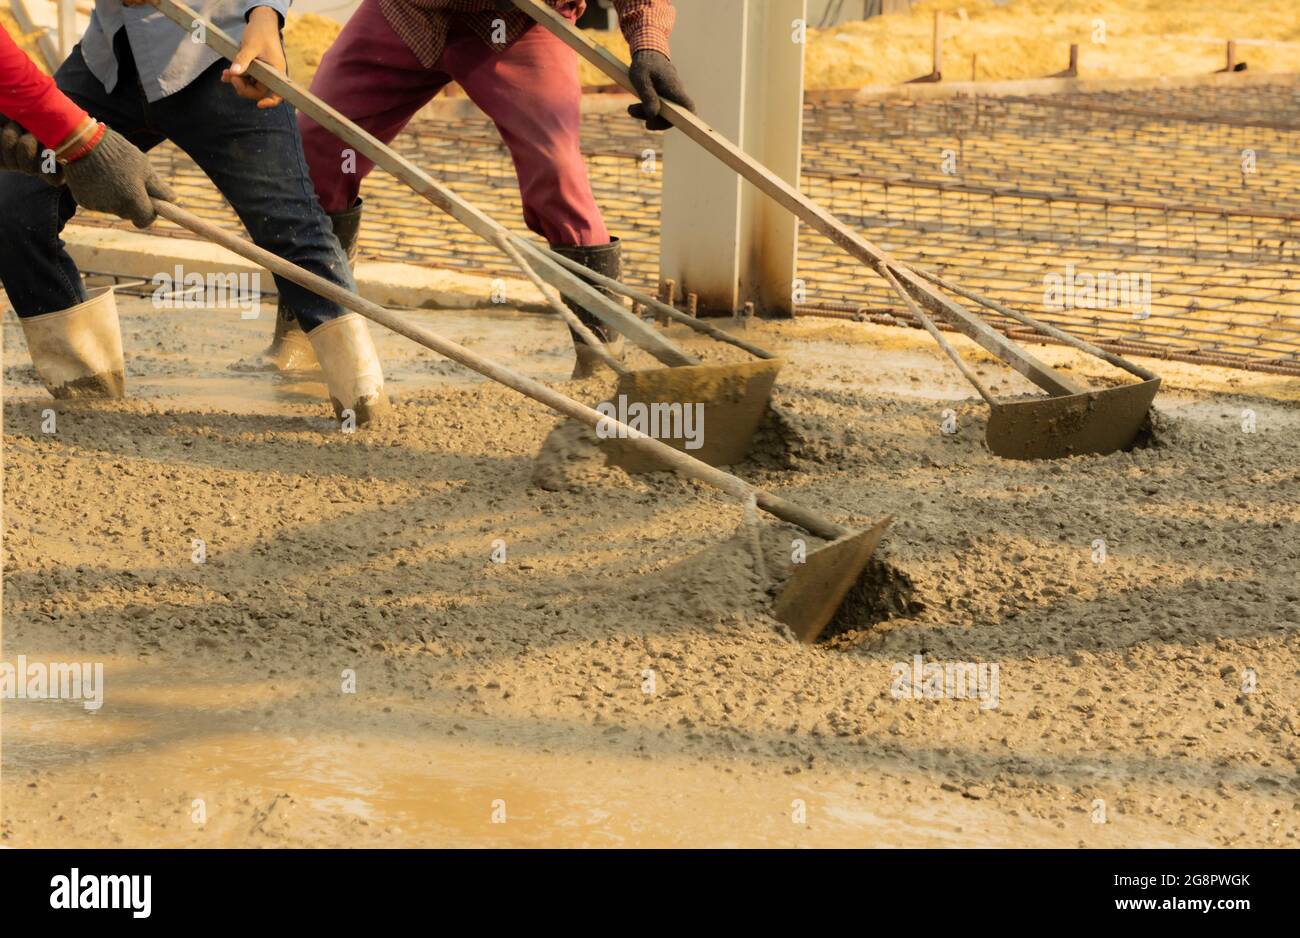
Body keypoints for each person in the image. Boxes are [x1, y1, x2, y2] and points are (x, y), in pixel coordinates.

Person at [0, 2, 388, 425]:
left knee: (289, 226)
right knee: (14, 206)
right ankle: (85, 391)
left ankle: (363, 403)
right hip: (108, 61)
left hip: (220, 57)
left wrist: (266, 15)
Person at [273, 0, 693, 380]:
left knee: (557, 174)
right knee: (317, 145)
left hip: (518, 24)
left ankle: (600, 357)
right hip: (407, 15)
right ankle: (310, 328)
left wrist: (648, 44)